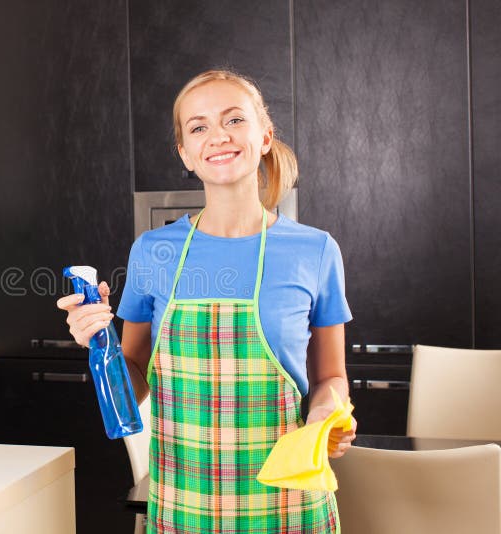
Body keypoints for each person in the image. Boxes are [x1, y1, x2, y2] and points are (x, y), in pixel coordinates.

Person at [57, 69, 356, 533]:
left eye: (234, 120)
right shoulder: (153, 251)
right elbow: (133, 385)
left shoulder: (315, 250)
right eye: (198, 127)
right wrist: (98, 342)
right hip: (183, 509)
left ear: (264, 137)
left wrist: (325, 412)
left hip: (290, 508)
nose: (218, 136)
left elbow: (331, 375)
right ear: (186, 154)